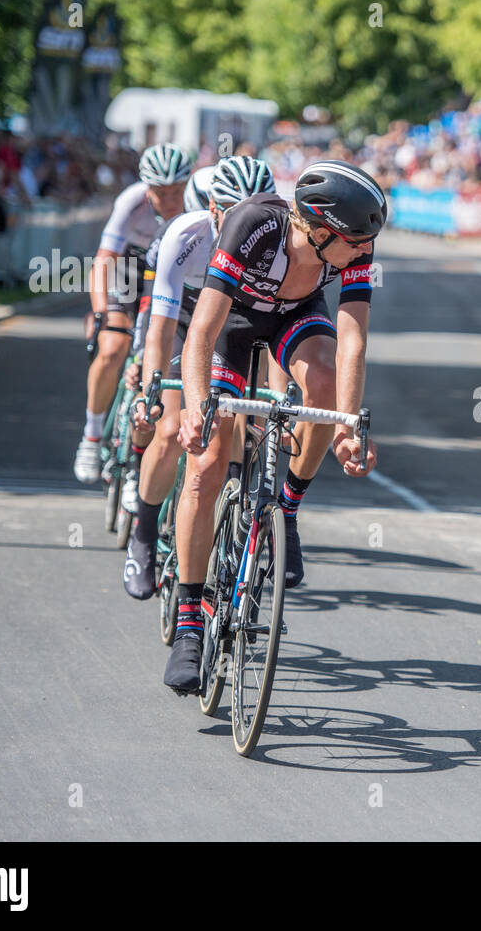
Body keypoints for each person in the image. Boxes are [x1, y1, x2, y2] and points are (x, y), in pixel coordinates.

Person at [163, 159, 383, 694]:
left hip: (295, 316)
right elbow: (201, 333)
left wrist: (349, 426)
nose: (364, 251)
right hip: (230, 327)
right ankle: (191, 616)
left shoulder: (356, 244)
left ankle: (286, 506)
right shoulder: (252, 225)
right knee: (208, 462)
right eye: (355, 242)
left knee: (324, 385)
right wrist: (196, 408)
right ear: (323, 228)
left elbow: (352, 339)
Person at [122, 157, 277, 599]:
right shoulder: (185, 236)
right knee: (171, 429)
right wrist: (152, 386)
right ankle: (145, 534)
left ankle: (224, 514)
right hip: (184, 321)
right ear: (212, 209)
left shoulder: (275, 239)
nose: (248, 222)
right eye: (233, 210)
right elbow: (161, 324)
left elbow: (268, 333)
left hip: (234, 326)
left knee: (241, 429)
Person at [73, 143, 191, 484]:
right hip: (129, 269)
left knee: (160, 352)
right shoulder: (132, 201)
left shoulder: (196, 202)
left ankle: (141, 456)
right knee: (112, 348)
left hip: (169, 272)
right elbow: (104, 261)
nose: (170, 201)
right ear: (146, 187)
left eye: (177, 192)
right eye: (160, 193)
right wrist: (101, 315)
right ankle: (92, 436)